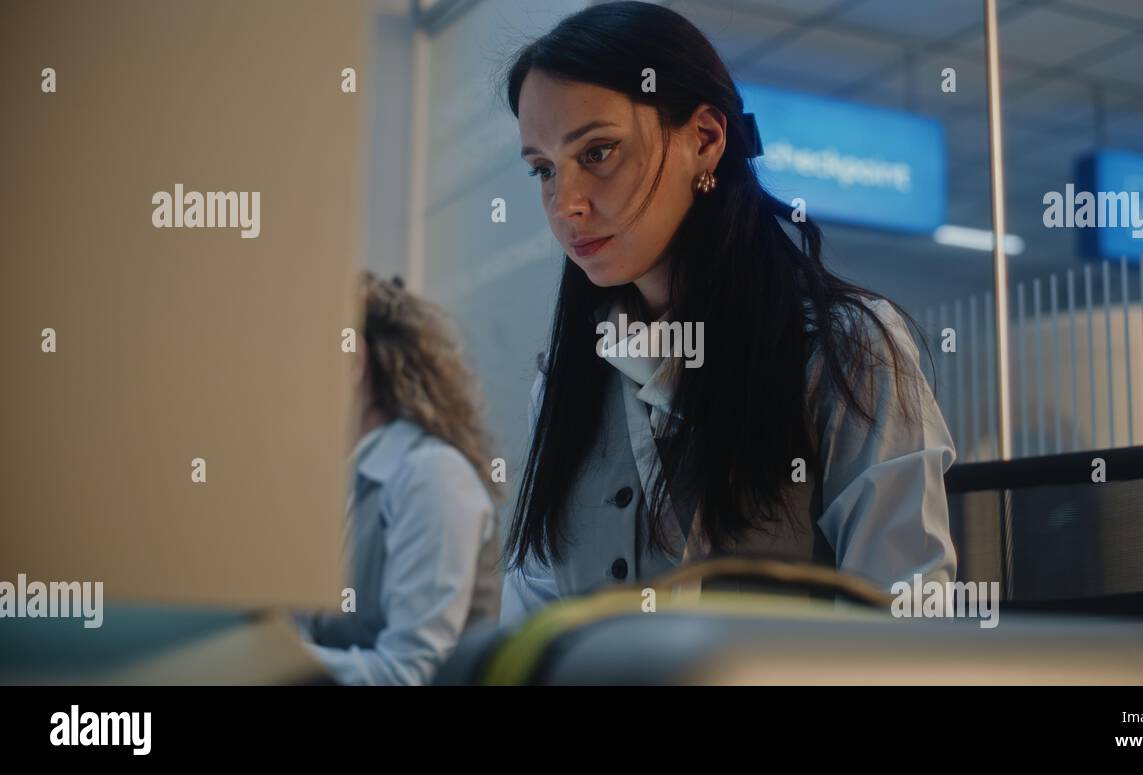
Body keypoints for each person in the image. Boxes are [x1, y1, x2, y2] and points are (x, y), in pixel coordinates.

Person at [500, 1, 958, 625]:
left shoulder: (846, 347)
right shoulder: (565, 379)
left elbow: (907, 620)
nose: (566, 205)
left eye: (599, 153)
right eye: (544, 170)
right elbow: (532, 628)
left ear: (706, 140)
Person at [299, 272, 502, 684]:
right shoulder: (337, 484)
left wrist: (261, 663)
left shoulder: (431, 474)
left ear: (352, 360)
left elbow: (410, 673)